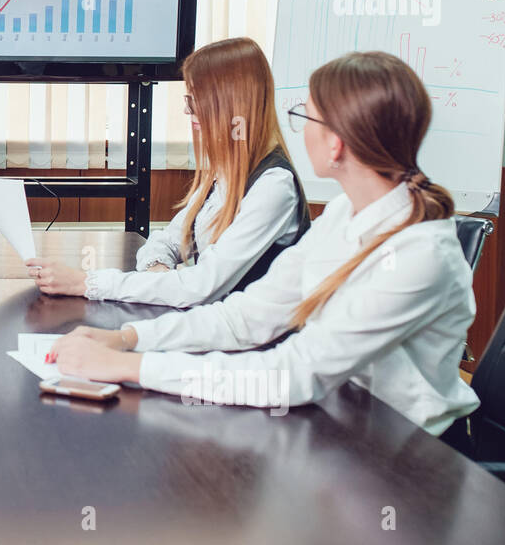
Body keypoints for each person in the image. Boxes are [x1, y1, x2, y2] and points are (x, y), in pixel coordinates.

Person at [47, 51, 480, 437]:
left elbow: (293, 375)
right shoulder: (345, 216)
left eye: (305, 117)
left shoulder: (419, 255)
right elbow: (246, 318)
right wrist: (127, 338)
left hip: (412, 459)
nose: (297, 130)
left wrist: (128, 367)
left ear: (336, 143)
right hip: (345, 420)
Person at [26, 37, 309, 306]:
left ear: (228, 102)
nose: (188, 111)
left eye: (195, 100)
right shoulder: (223, 174)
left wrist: (86, 283)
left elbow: (202, 286)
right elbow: (167, 240)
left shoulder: (274, 186)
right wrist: (159, 273)